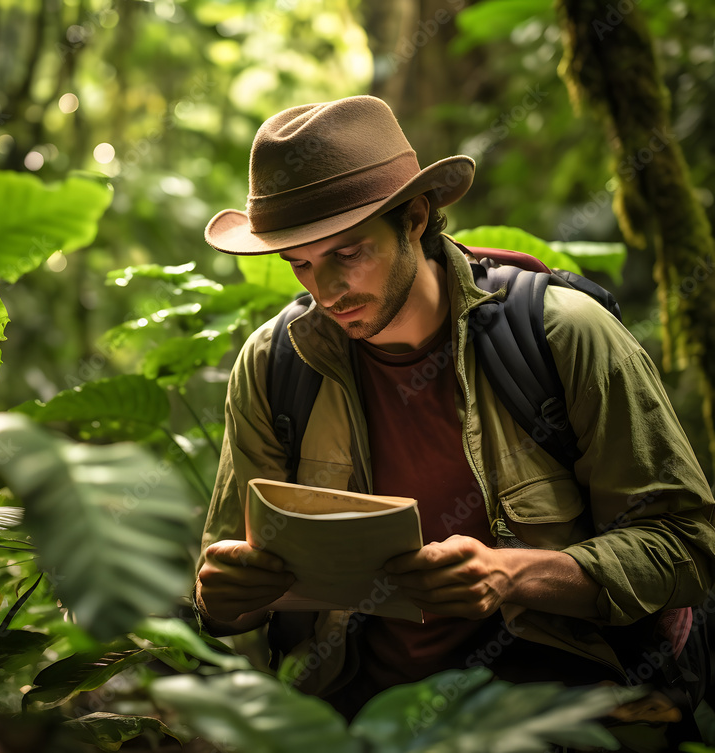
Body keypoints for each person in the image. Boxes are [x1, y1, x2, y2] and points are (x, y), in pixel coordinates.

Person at [193, 95, 715, 734]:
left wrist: (514, 575)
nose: (324, 292)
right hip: (356, 721)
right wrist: (223, 597)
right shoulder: (276, 365)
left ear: (414, 217)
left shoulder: (562, 335)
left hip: (558, 715)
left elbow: (689, 547)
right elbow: (227, 584)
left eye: (347, 253)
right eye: (300, 264)